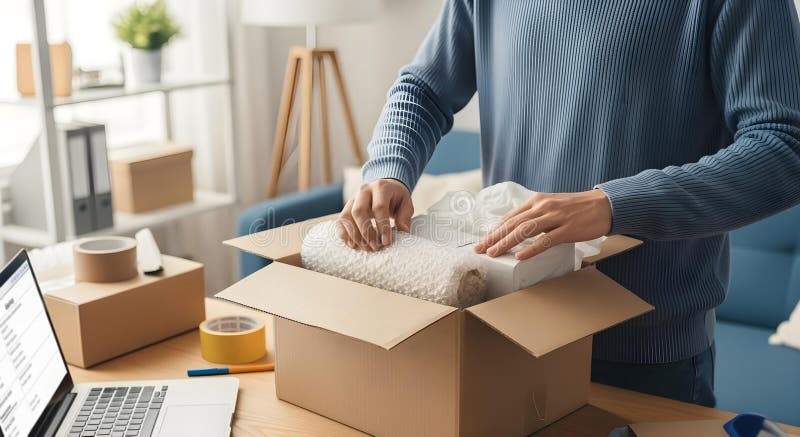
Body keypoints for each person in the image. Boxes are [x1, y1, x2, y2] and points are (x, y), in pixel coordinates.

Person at [336, 0, 800, 407]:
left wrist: (613, 205)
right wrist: (389, 167)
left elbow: (785, 147)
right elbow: (425, 88)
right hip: (502, 333)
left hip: (647, 357)